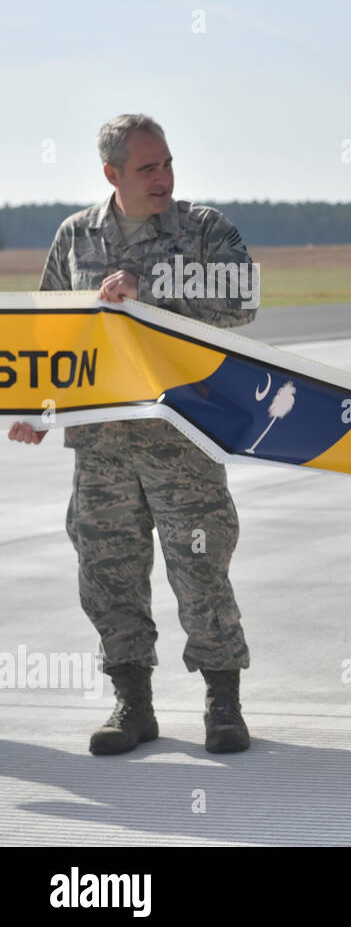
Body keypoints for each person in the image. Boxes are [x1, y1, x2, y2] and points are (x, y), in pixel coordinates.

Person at [7, 114, 258, 755]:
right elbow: (53, 332)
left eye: (169, 163)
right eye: (148, 168)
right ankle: (133, 704)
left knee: (202, 571)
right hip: (101, 449)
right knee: (108, 573)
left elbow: (244, 298)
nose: (165, 177)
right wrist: (38, 406)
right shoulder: (75, 237)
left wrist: (153, 292)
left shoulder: (204, 230)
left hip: (182, 441)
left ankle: (222, 705)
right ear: (112, 174)